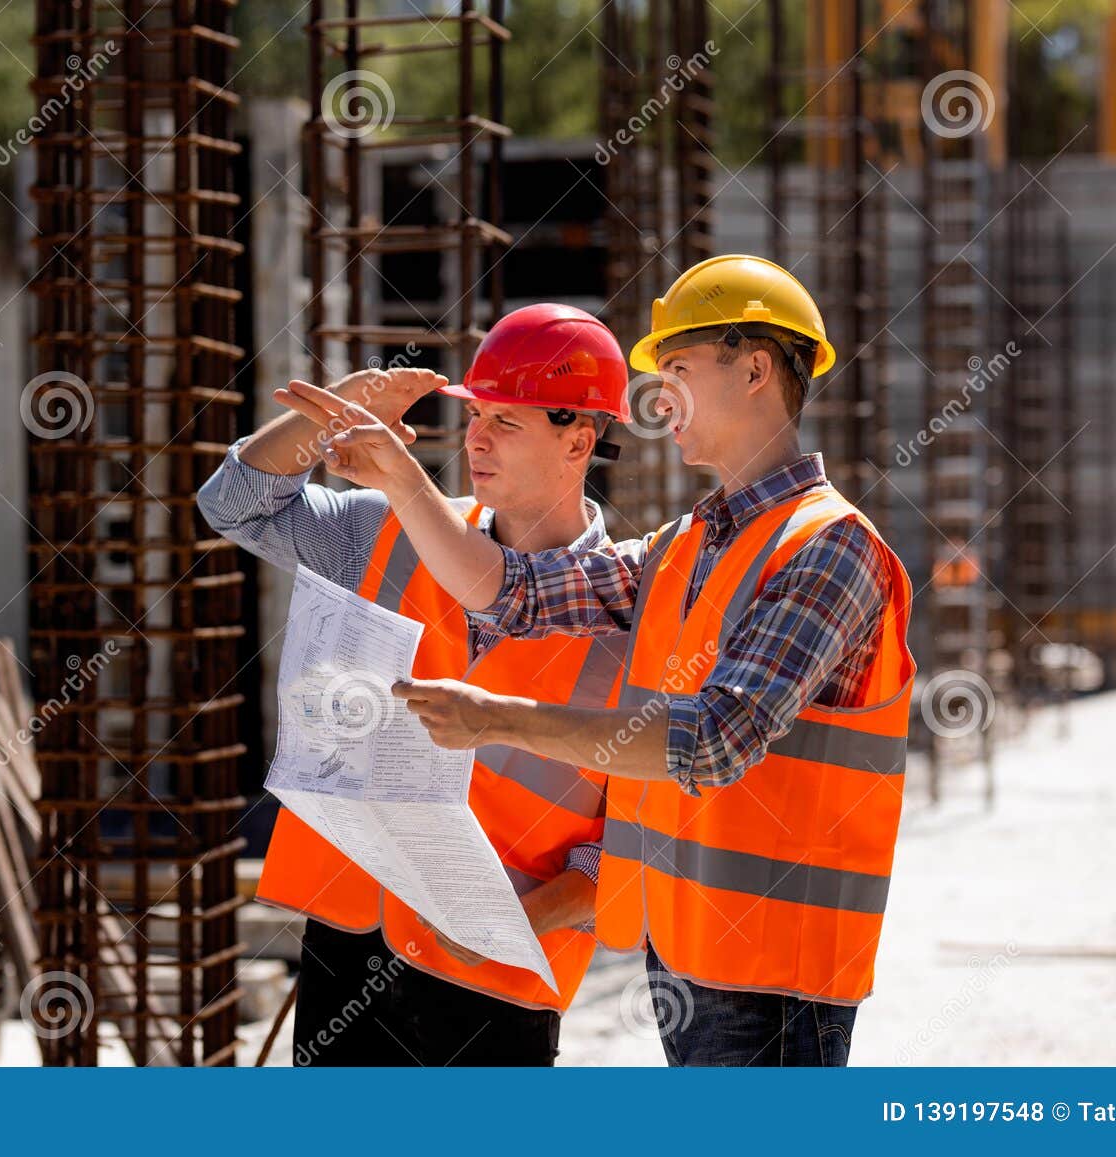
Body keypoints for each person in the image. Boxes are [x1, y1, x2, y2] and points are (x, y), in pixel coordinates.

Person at [280, 255, 917, 1067]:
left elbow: (716, 736)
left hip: (779, 977)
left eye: (679, 370)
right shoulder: (685, 546)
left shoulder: (829, 548)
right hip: (690, 955)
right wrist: (401, 476)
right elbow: (510, 590)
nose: (660, 398)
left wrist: (498, 721)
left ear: (756, 369)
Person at [196, 304, 632, 1066]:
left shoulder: (630, 615)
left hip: (498, 981)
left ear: (579, 440)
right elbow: (231, 504)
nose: (476, 437)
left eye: (507, 421)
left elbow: (635, 844)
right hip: (353, 947)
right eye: (476, 414)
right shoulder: (387, 530)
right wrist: (342, 416)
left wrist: (518, 919)